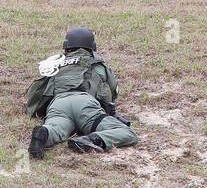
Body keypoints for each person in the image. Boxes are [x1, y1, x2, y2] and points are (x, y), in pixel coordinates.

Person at [25, 27, 138, 158]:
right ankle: (92, 139)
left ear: (66, 47)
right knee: (127, 133)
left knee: (56, 129)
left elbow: (36, 93)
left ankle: (44, 133)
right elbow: (112, 93)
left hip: (59, 105)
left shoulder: (55, 64)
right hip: (86, 105)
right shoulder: (99, 64)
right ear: (92, 48)